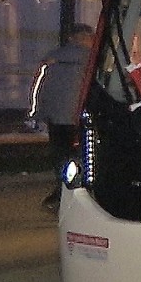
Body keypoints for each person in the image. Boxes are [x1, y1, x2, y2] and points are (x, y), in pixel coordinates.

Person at [28, 24, 96, 211]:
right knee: (83, 154)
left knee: (60, 154)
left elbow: (38, 88)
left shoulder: (51, 58)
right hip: (81, 117)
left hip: (56, 117)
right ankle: (80, 192)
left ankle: (61, 190)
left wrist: (35, 113)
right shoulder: (94, 60)